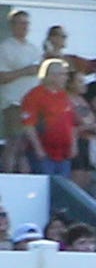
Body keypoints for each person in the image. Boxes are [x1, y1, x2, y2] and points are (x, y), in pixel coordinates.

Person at [0, 9, 43, 173]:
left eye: (27, 23)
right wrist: (25, 71)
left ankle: (24, 177)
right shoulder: (5, 48)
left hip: (33, 105)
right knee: (14, 142)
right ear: (12, 25)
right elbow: (2, 77)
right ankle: (7, 175)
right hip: (15, 103)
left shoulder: (34, 49)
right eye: (21, 23)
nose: (24, 27)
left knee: (26, 145)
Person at [20, 58, 76, 176]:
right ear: (51, 76)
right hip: (44, 155)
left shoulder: (64, 96)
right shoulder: (34, 96)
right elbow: (28, 125)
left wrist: (73, 145)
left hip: (64, 155)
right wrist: (38, 149)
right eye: (63, 74)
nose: (66, 78)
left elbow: (71, 123)